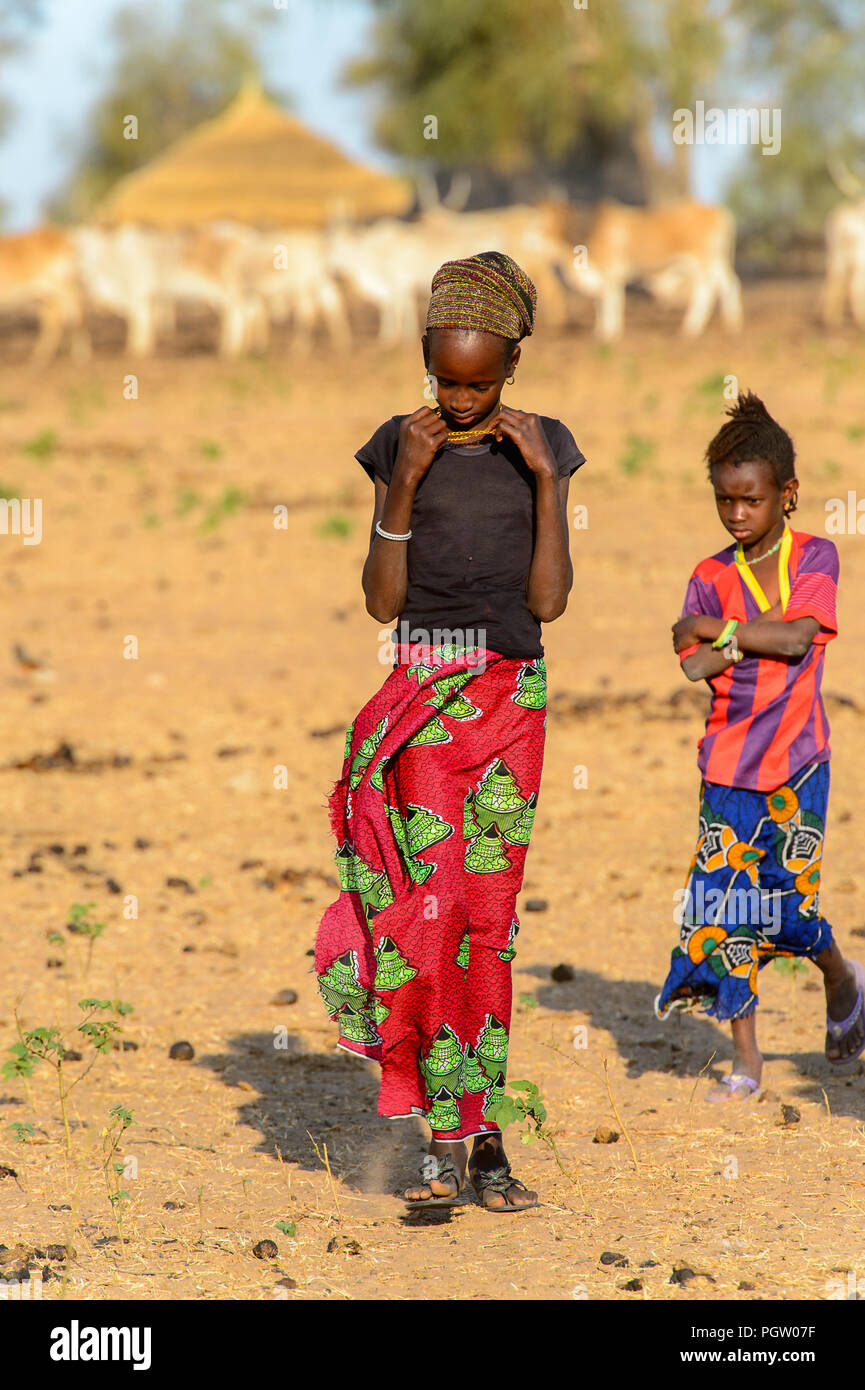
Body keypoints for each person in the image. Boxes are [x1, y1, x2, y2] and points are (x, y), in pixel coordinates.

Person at [314, 251, 585, 1208]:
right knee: (427, 920)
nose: (459, 399)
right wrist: (404, 483)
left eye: (478, 382)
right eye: (442, 379)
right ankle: (438, 1139)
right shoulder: (401, 441)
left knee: (489, 928)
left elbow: (546, 602)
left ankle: (489, 1133)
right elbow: (381, 603)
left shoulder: (542, 445)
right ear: (424, 363)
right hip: (428, 697)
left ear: (512, 365)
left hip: (514, 704)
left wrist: (549, 482)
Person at [655, 390, 863, 1100]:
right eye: (723, 501)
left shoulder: (817, 556)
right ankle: (747, 1062)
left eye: (749, 499)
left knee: (789, 907)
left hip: (797, 765)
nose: (735, 514)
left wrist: (717, 632)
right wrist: (749, 633)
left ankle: (840, 976)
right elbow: (688, 665)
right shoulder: (707, 573)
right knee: (725, 909)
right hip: (725, 767)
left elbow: (797, 637)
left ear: (787, 494)